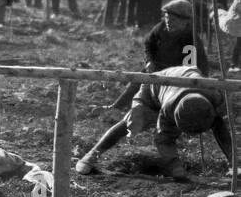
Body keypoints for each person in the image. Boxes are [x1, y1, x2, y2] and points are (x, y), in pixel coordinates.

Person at [76, 65, 232, 180]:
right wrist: (176, 168)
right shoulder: (169, 108)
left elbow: (220, 125)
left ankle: (235, 163)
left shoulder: (214, 95)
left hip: (185, 80)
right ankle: (91, 156)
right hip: (152, 87)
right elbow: (163, 138)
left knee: (219, 125)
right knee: (129, 124)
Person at [110, 0, 207, 110]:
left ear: (185, 22)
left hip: (181, 75)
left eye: (173, 20)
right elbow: (149, 43)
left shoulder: (190, 38)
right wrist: (150, 61)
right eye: (167, 18)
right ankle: (117, 106)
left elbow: (189, 68)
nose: (168, 22)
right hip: (158, 67)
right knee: (138, 80)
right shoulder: (161, 28)